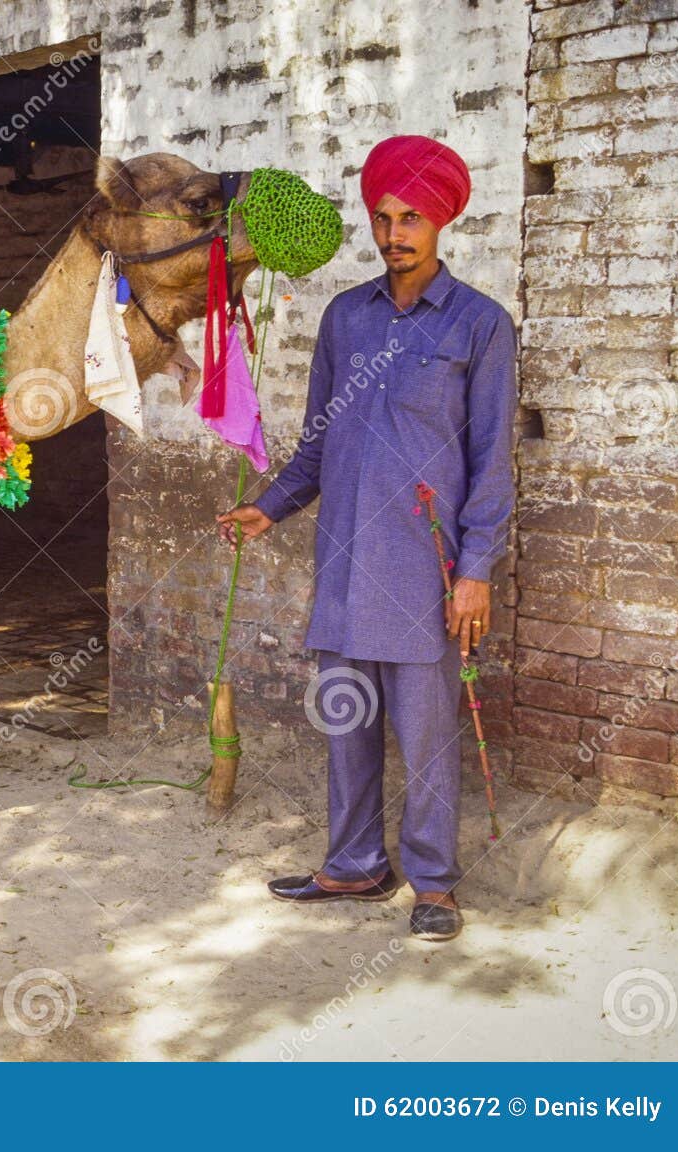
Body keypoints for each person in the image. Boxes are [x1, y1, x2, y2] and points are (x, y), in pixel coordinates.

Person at [216, 135, 516, 942]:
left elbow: (491, 459)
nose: (394, 235)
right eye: (383, 217)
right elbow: (319, 442)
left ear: (441, 220)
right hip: (346, 558)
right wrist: (270, 507)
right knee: (345, 720)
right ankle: (354, 864)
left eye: (410, 216)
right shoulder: (346, 318)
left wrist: (476, 569)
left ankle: (434, 882)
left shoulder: (482, 326)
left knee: (425, 735)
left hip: (428, 566)